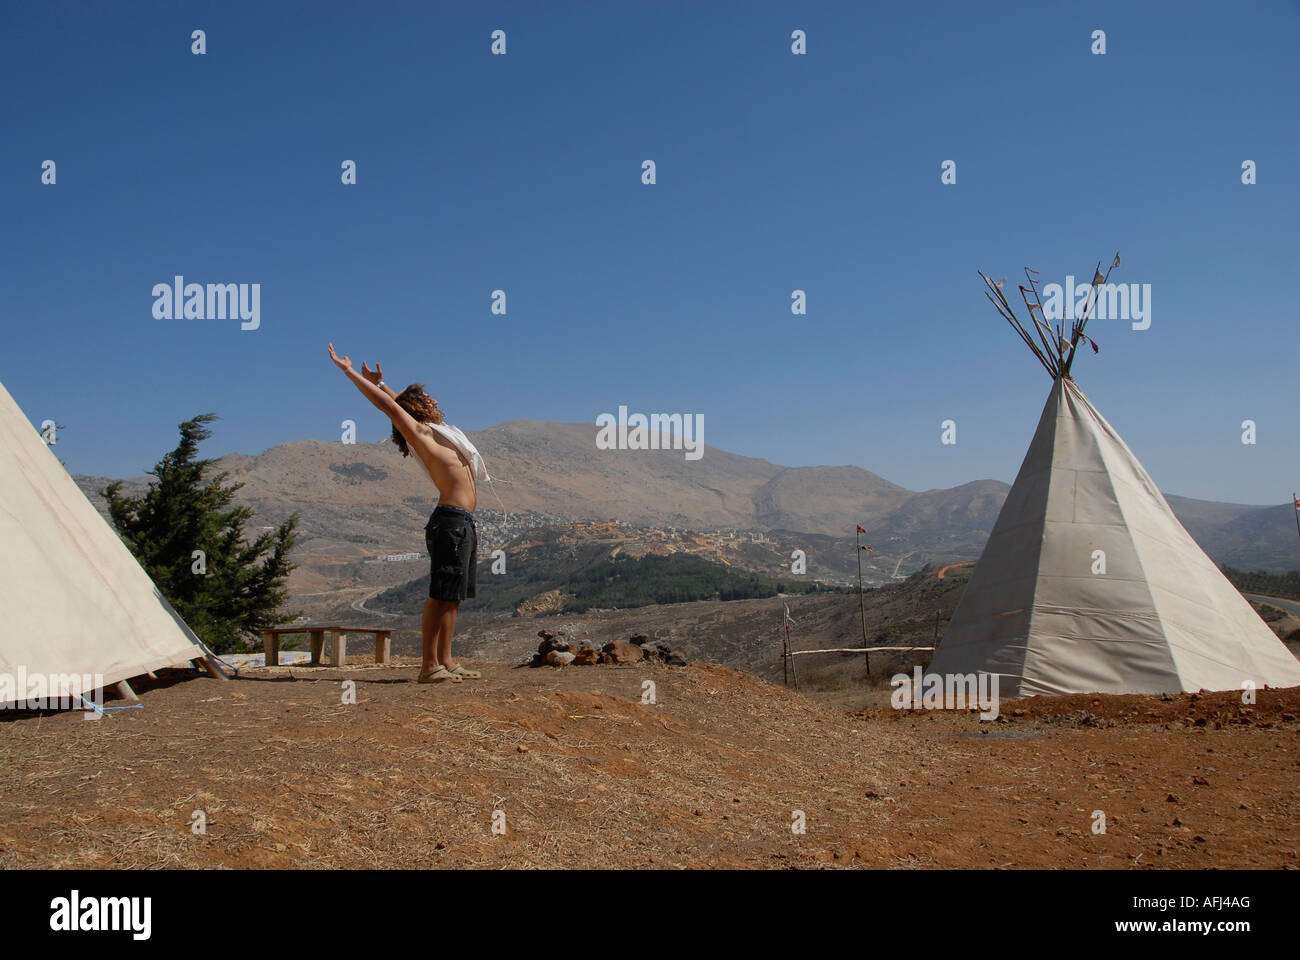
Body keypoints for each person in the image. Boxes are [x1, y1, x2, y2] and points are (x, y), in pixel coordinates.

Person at [328, 343, 482, 684]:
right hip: (450, 522)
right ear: (419, 409)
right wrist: (351, 373)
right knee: (440, 594)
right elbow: (391, 409)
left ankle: (447, 661)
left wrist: (384, 384)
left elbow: (397, 401)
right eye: (430, 399)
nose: (437, 402)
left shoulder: (444, 435)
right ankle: (428, 666)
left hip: (464, 523)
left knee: (454, 597)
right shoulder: (423, 435)